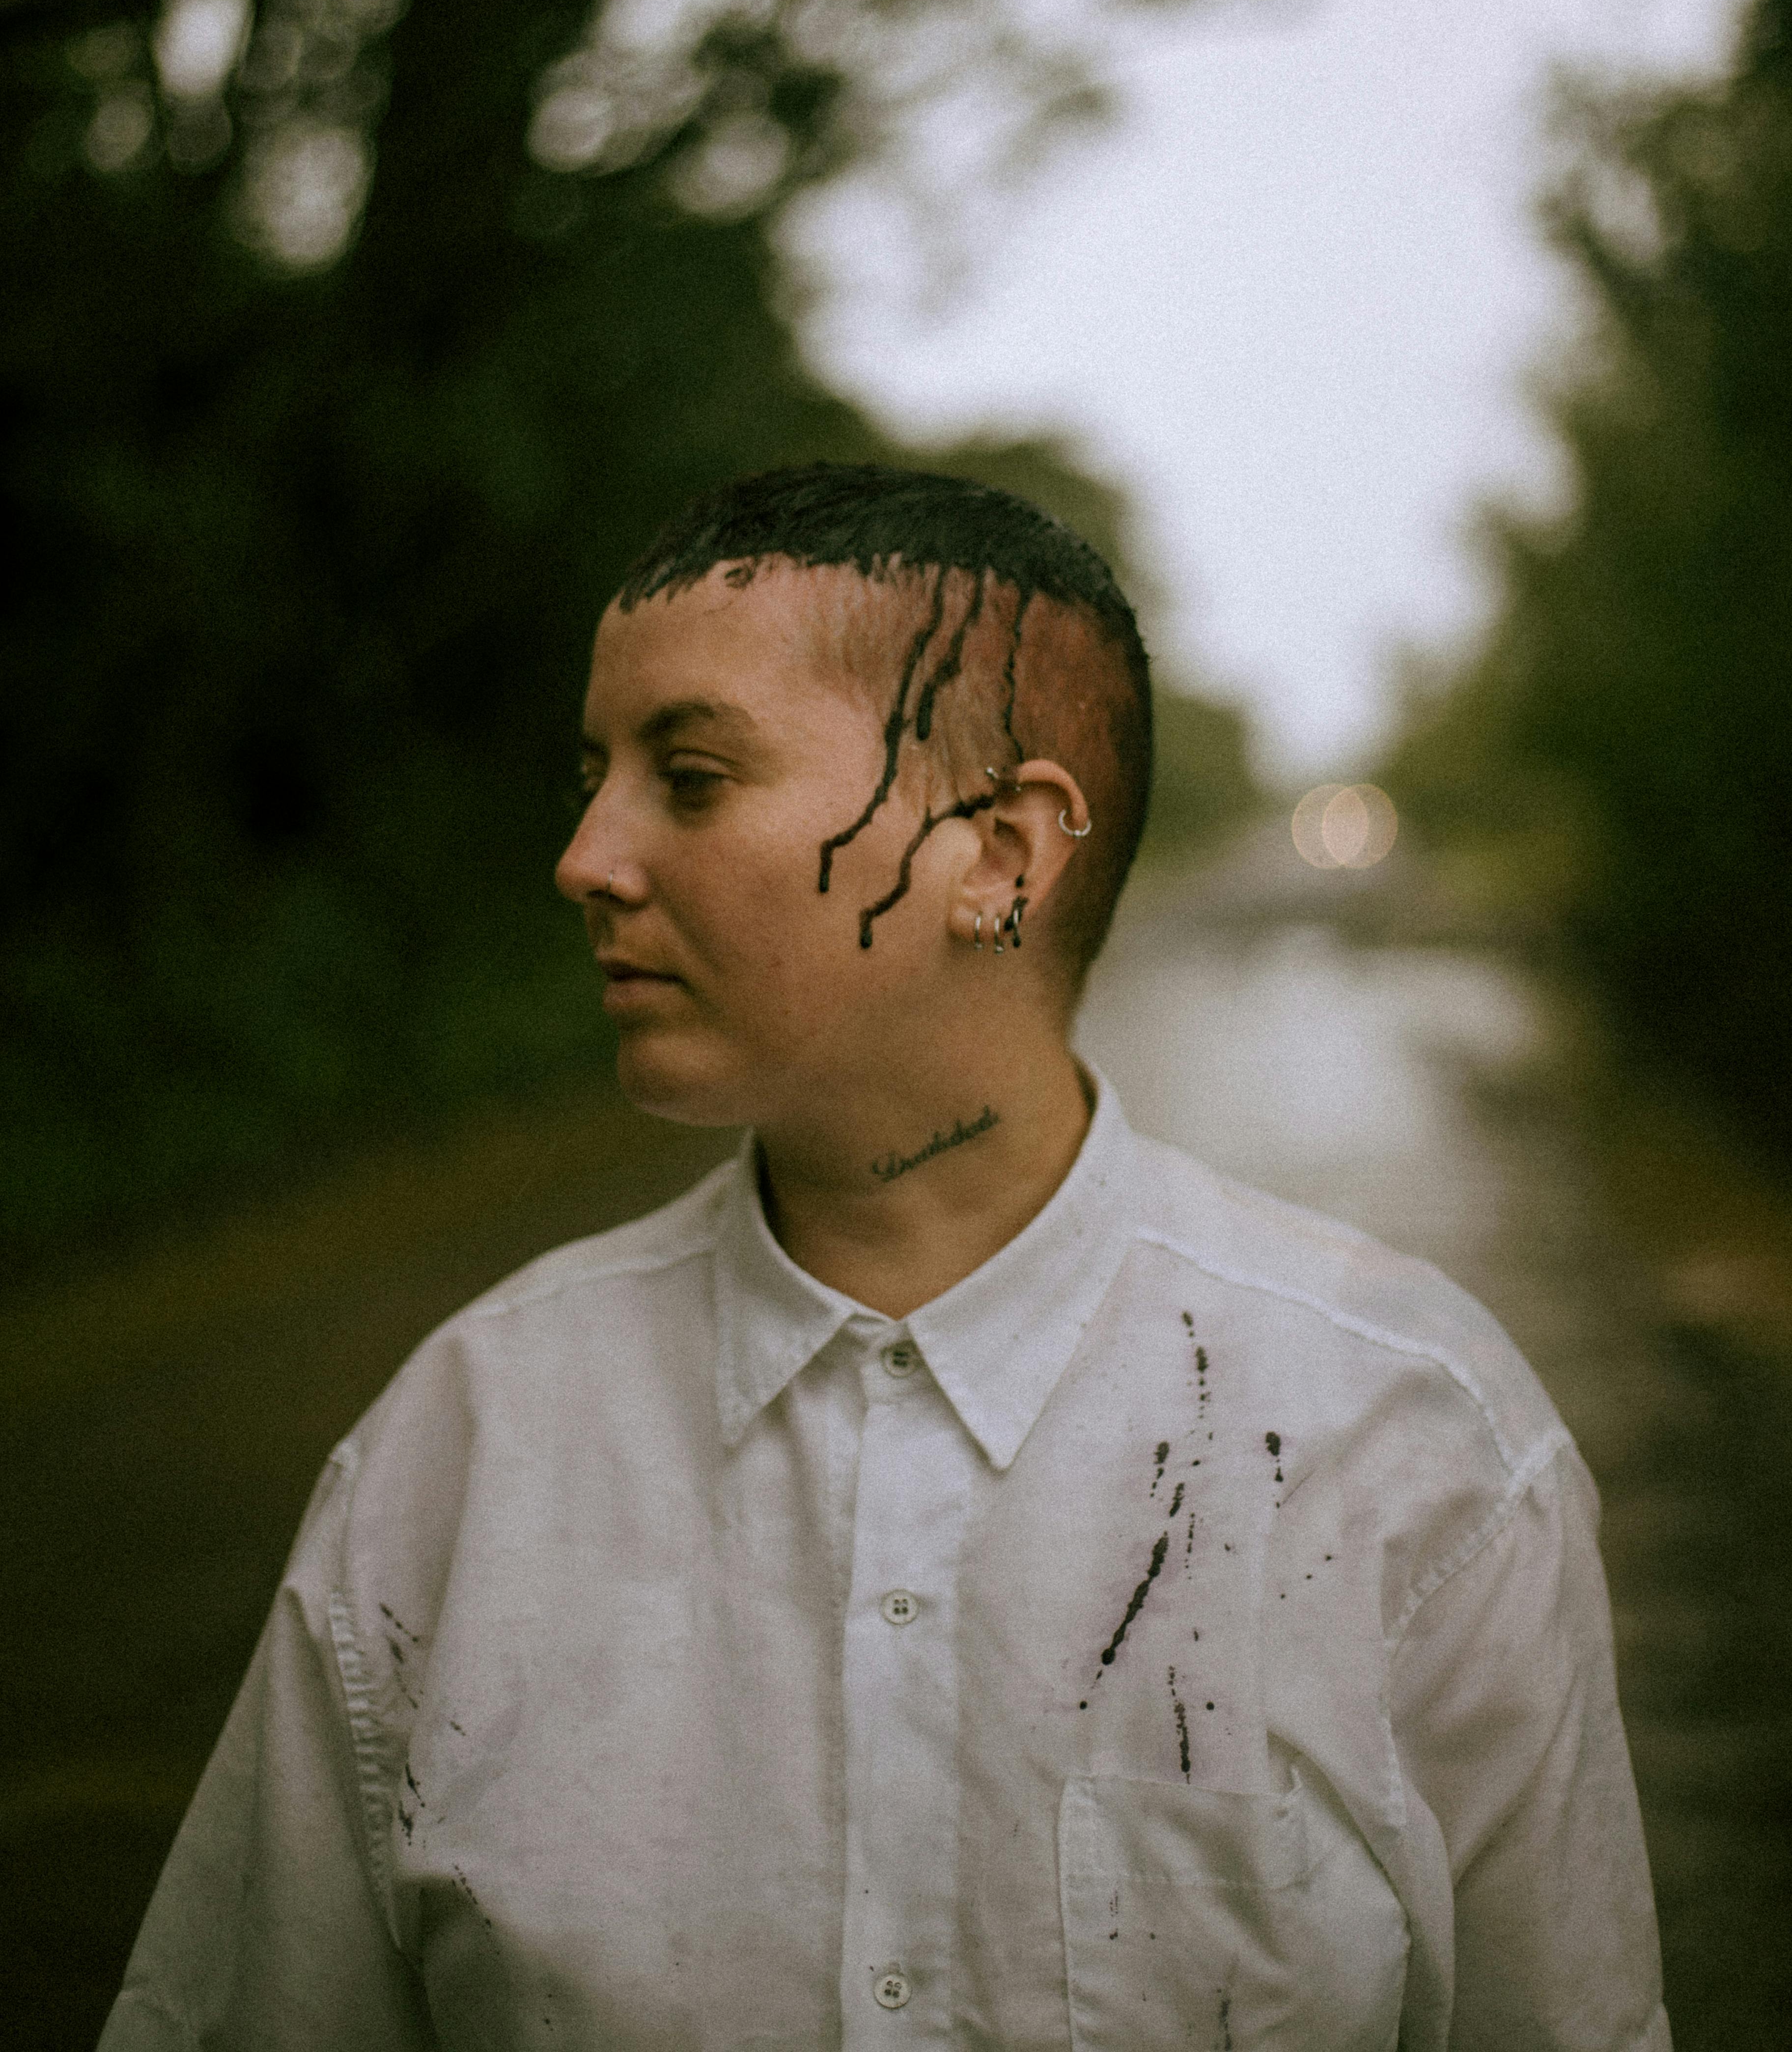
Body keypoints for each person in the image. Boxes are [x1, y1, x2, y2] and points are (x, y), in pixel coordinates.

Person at [101, 462, 1670, 2051]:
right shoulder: (459, 1449)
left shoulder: (1415, 1453)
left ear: (999, 856)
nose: (588, 857)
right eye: (594, 776)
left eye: (692, 777)